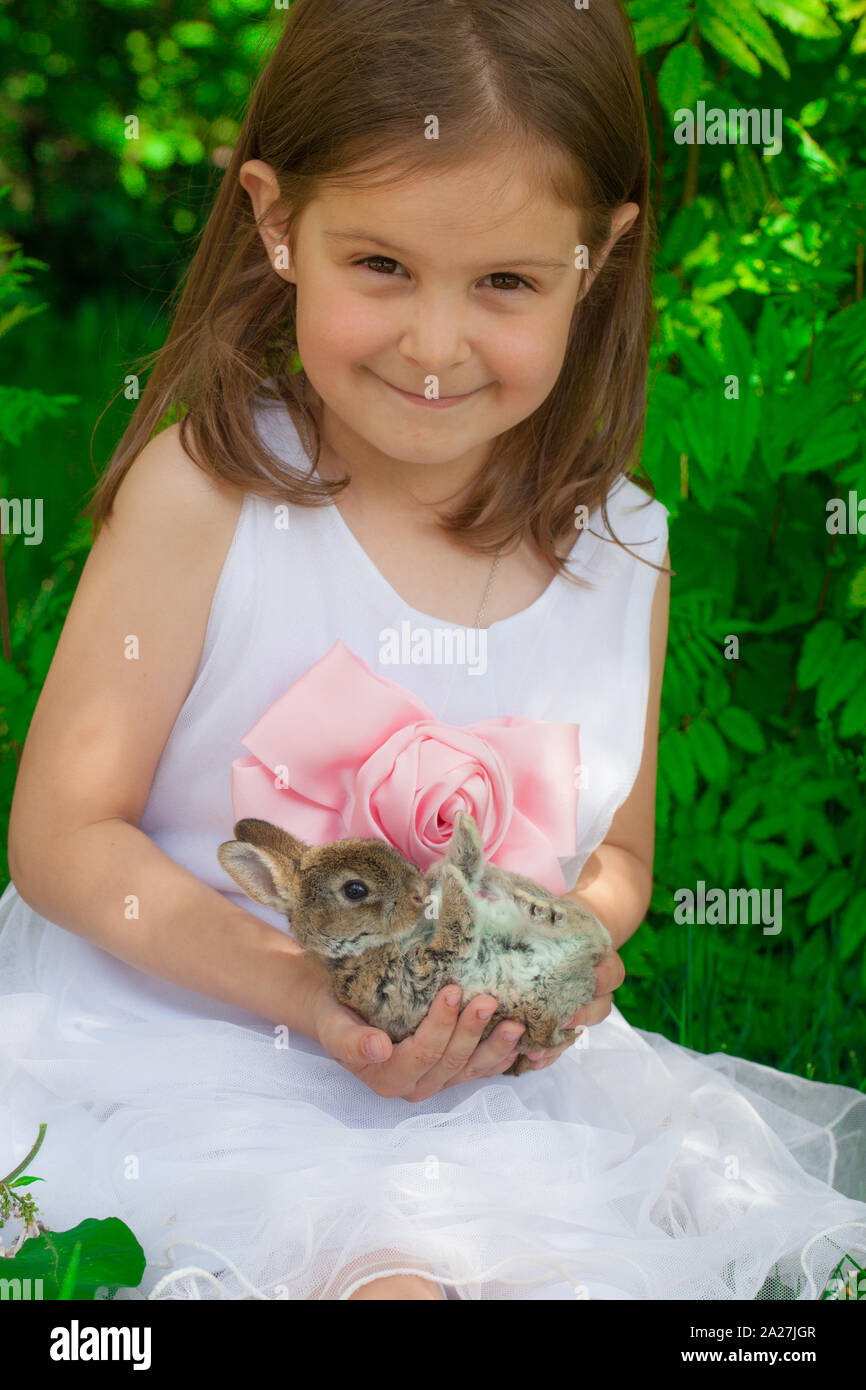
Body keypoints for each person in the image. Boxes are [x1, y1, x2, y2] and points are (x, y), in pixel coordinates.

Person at [1, 0, 864, 1302]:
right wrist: (307, 991)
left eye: (506, 281)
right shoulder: (210, 495)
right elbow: (64, 835)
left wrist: (553, 962)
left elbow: (615, 857)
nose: (434, 344)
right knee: (380, 1272)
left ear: (600, 257)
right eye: (382, 267)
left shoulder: (621, 545)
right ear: (276, 219)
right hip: (202, 1026)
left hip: (478, 1076)